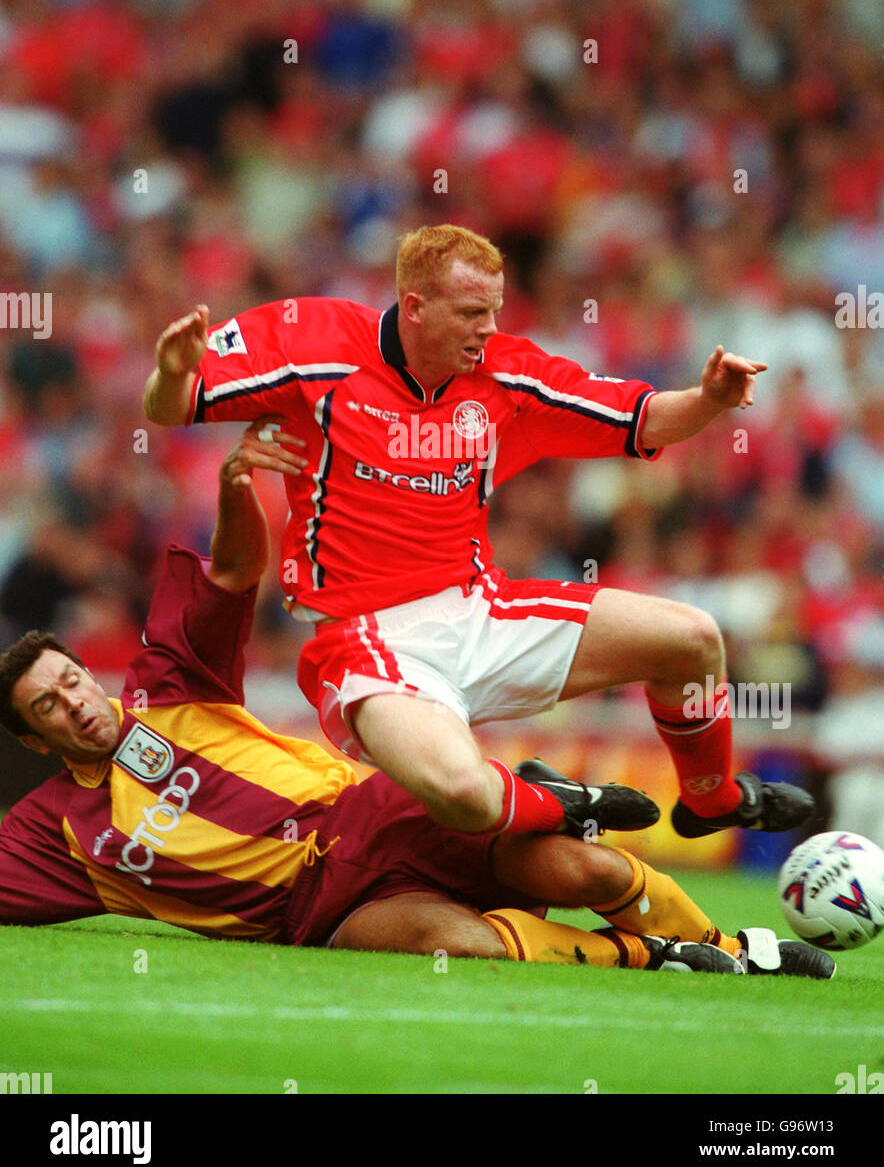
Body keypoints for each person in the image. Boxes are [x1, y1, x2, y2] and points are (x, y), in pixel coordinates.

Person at [0, 421, 832, 979]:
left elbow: (231, 574)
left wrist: (235, 487)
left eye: (70, 681)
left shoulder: (168, 682)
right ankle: (657, 956)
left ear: (88, 671)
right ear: (37, 742)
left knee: (582, 866)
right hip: (318, 910)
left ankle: (731, 945)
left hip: (368, 812)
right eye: (48, 709)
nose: (72, 704)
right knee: (448, 942)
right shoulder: (53, 835)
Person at [141, 223, 814, 843]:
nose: (488, 329)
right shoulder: (311, 343)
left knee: (691, 639)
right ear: (414, 306)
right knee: (463, 792)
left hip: (480, 609)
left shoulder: (508, 375)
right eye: (471, 313)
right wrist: (172, 372)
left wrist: (708, 401)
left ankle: (713, 801)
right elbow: (171, 408)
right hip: (367, 640)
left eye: (494, 311)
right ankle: (564, 801)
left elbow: (639, 417)